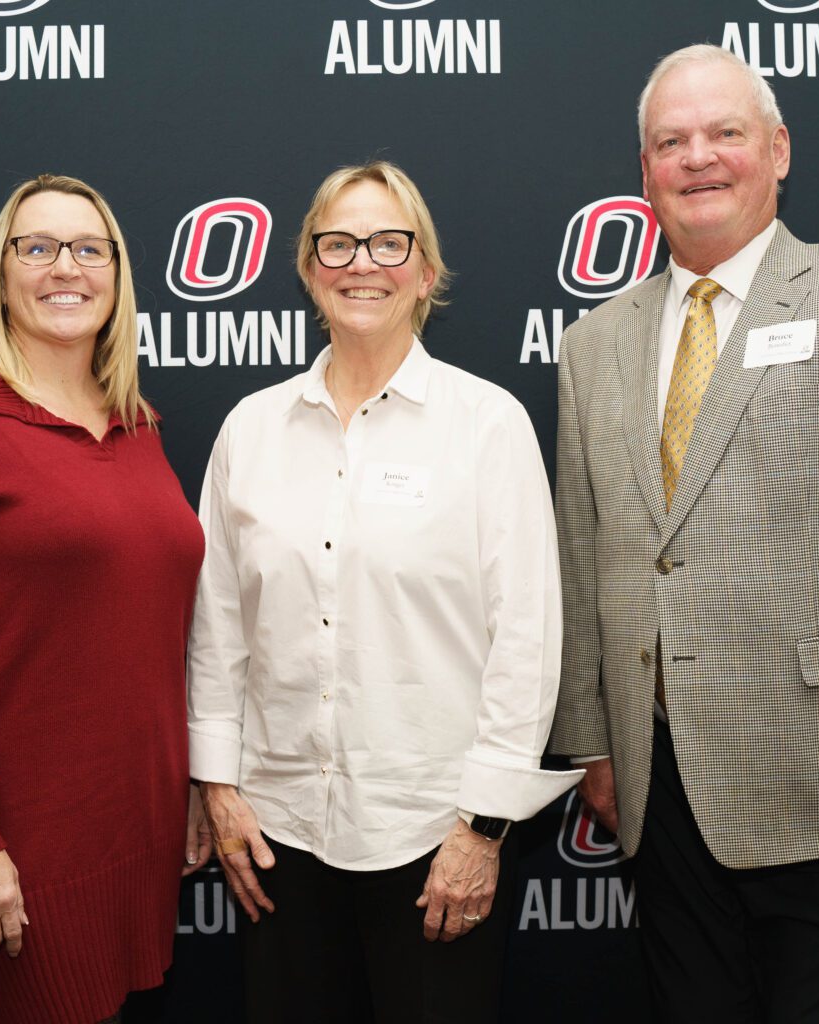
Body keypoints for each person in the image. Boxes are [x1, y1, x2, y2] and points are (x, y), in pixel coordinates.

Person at [549, 45, 819, 1022]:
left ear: (779, 150)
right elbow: (586, 559)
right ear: (645, 171)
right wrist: (593, 743)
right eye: (672, 142)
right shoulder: (591, 344)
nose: (698, 157)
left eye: (726, 133)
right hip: (661, 797)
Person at [186, 160, 582, 1024]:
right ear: (308, 269)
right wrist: (216, 786)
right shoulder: (251, 429)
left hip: (433, 836)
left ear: (425, 272)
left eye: (389, 243)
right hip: (278, 832)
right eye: (338, 243)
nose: (362, 262)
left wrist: (483, 829)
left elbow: (526, 640)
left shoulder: (487, 425)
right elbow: (217, 626)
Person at [0, 174, 207, 1024]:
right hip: (25, 848)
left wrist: (193, 783)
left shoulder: (137, 424)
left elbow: (157, 630)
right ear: (3, 271)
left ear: (118, 273)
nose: (66, 268)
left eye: (90, 249)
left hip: (141, 828)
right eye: (39, 247)